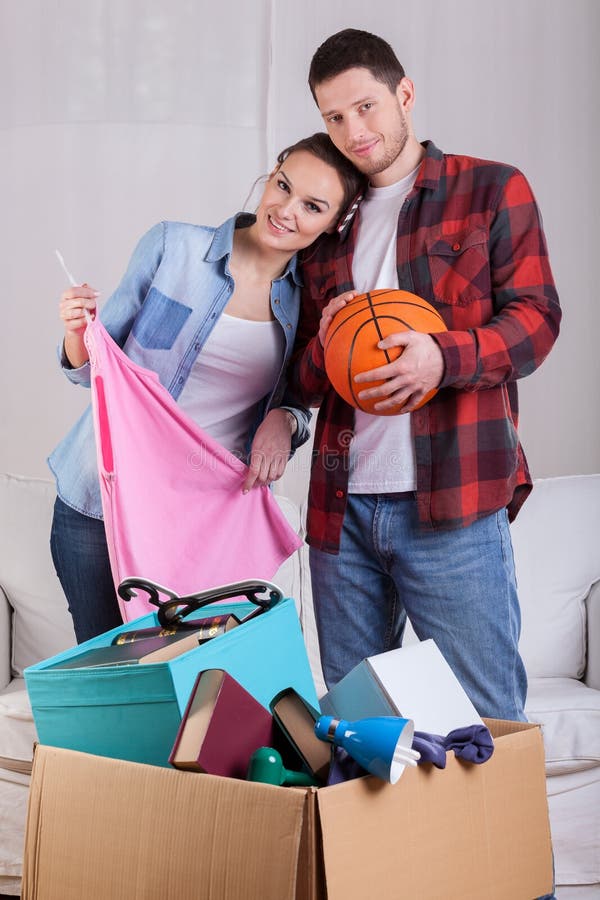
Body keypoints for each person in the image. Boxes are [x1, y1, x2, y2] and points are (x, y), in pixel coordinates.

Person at [290, 29, 562, 723]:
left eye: (366, 107)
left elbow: (537, 319)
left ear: (404, 94)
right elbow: (306, 376)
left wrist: (445, 356)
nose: (353, 130)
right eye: (334, 117)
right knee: (361, 731)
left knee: (485, 723)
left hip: (454, 506)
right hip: (341, 513)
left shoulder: (491, 188)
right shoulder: (329, 226)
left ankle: (497, 840)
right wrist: (326, 341)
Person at [48, 132, 366, 644]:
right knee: (110, 673)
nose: (286, 210)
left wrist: (285, 421)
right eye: (283, 186)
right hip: (99, 502)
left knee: (186, 676)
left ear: (334, 223)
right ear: (271, 175)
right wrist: (74, 331)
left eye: (312, 206)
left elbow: (303, 399)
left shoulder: (306, 303)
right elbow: (93, 372)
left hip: (198, 524)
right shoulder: (174, 247)